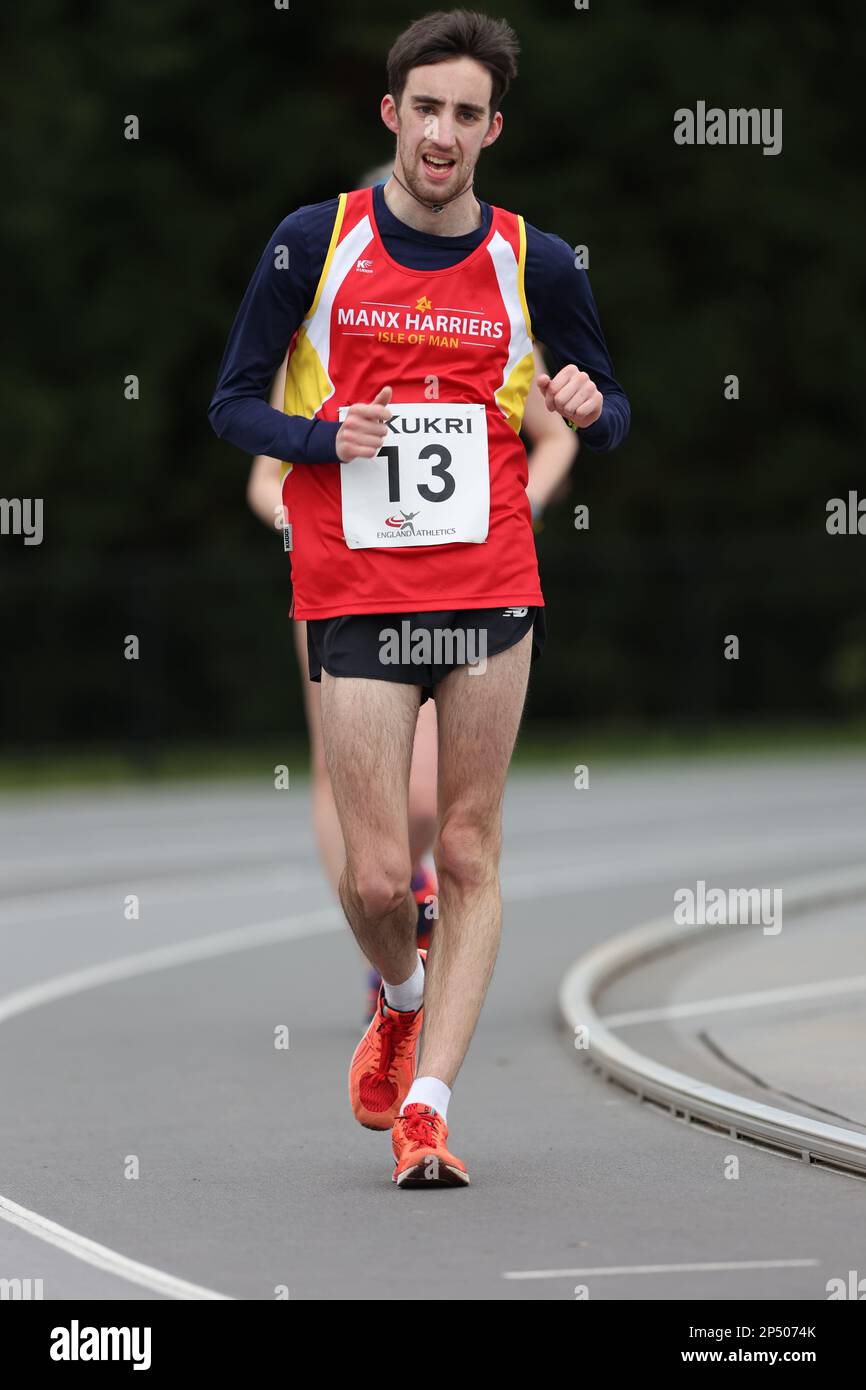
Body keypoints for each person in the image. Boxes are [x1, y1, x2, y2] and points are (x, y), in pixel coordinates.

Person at [209, 8, 629, 1188]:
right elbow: (229, 403)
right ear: (391, 114)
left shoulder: (535, 259)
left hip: (489, 574)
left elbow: (609, 408)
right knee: (381, 874)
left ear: (492, 130)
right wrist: (315, 433)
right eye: (425, 109)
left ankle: (430, 1109)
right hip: (351, 581)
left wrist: (595, 412)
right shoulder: (314, 241)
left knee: (469, 842)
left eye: (466, 114)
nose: (443, 133)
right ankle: (397, 993)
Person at [246, 282, 578, 1021]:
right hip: (343, 585)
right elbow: (265, 472)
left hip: (453, 584)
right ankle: (383, 959)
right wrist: (304, 520)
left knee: (427, 796)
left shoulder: (487, 312)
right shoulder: (320, 328)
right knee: (341, 775)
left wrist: (515, 504)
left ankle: (415, 888)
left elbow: (556, 434)